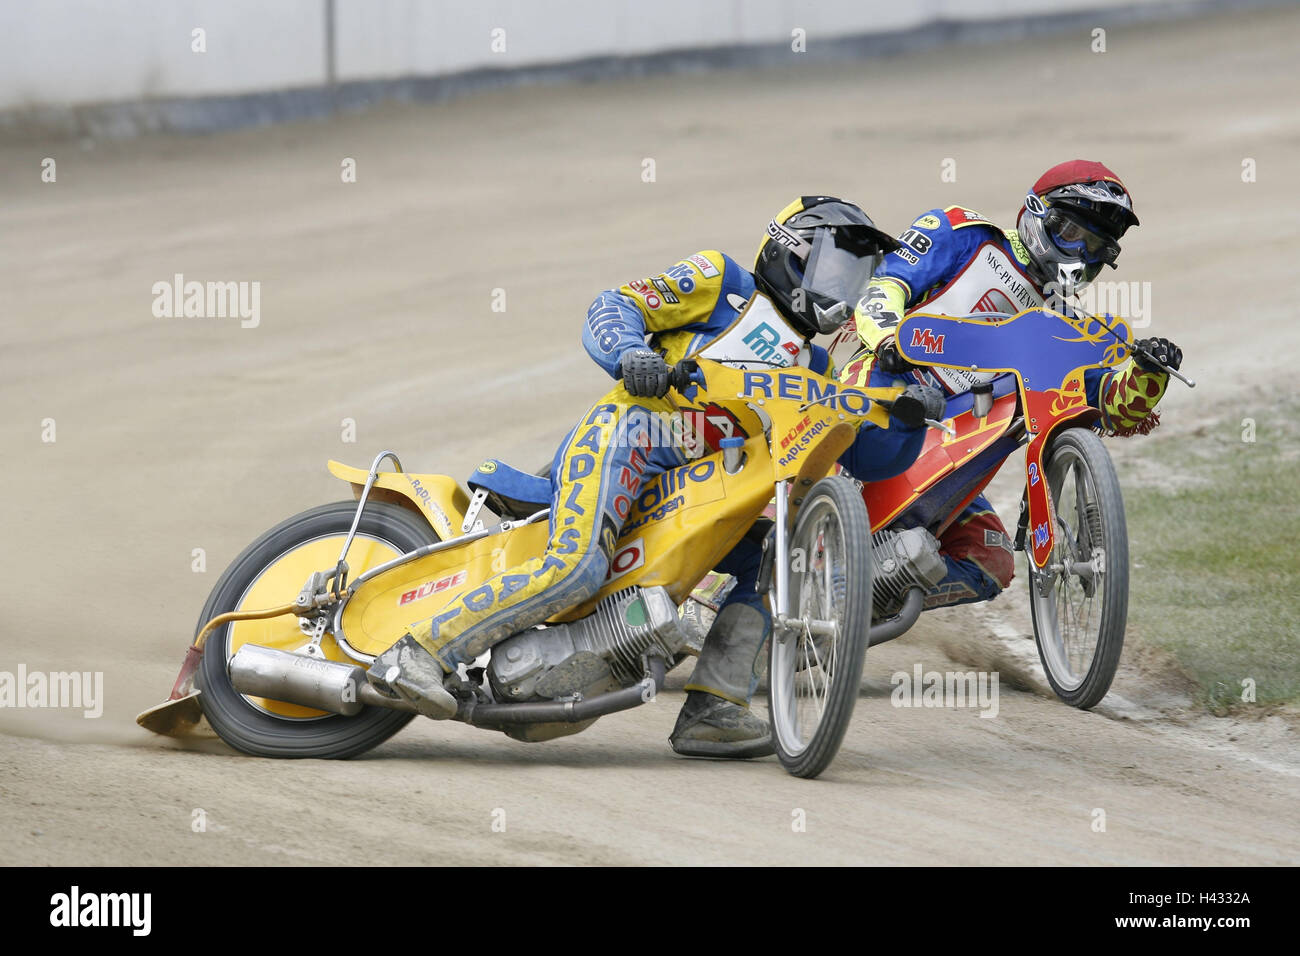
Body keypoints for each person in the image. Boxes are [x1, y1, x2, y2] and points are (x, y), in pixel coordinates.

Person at [368, 196, 943, 758]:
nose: (844, 292)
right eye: (838, 268)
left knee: (776, 562)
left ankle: (714, 706)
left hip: (705, 488)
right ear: (792, 252)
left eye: (858, 278)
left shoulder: (818, 368)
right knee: (577, 565)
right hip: (632, 435)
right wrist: (629, 354)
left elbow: (870, 457)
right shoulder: (721, 280)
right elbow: (615, 304)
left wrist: (908, 399)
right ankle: (418, 651)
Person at [837, 160, 1184, 611]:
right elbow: (884, 285)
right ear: (1037, 213)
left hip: (953, 452)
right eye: (1071, 233)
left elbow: (1114, 407)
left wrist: (1148, 372)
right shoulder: (965, 234)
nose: (1080, 252)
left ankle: (858, 607)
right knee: (826, 455)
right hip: (886, 389)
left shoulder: (1073, 331)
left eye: (1095, 245)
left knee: (992, 560)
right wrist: (889, 338)